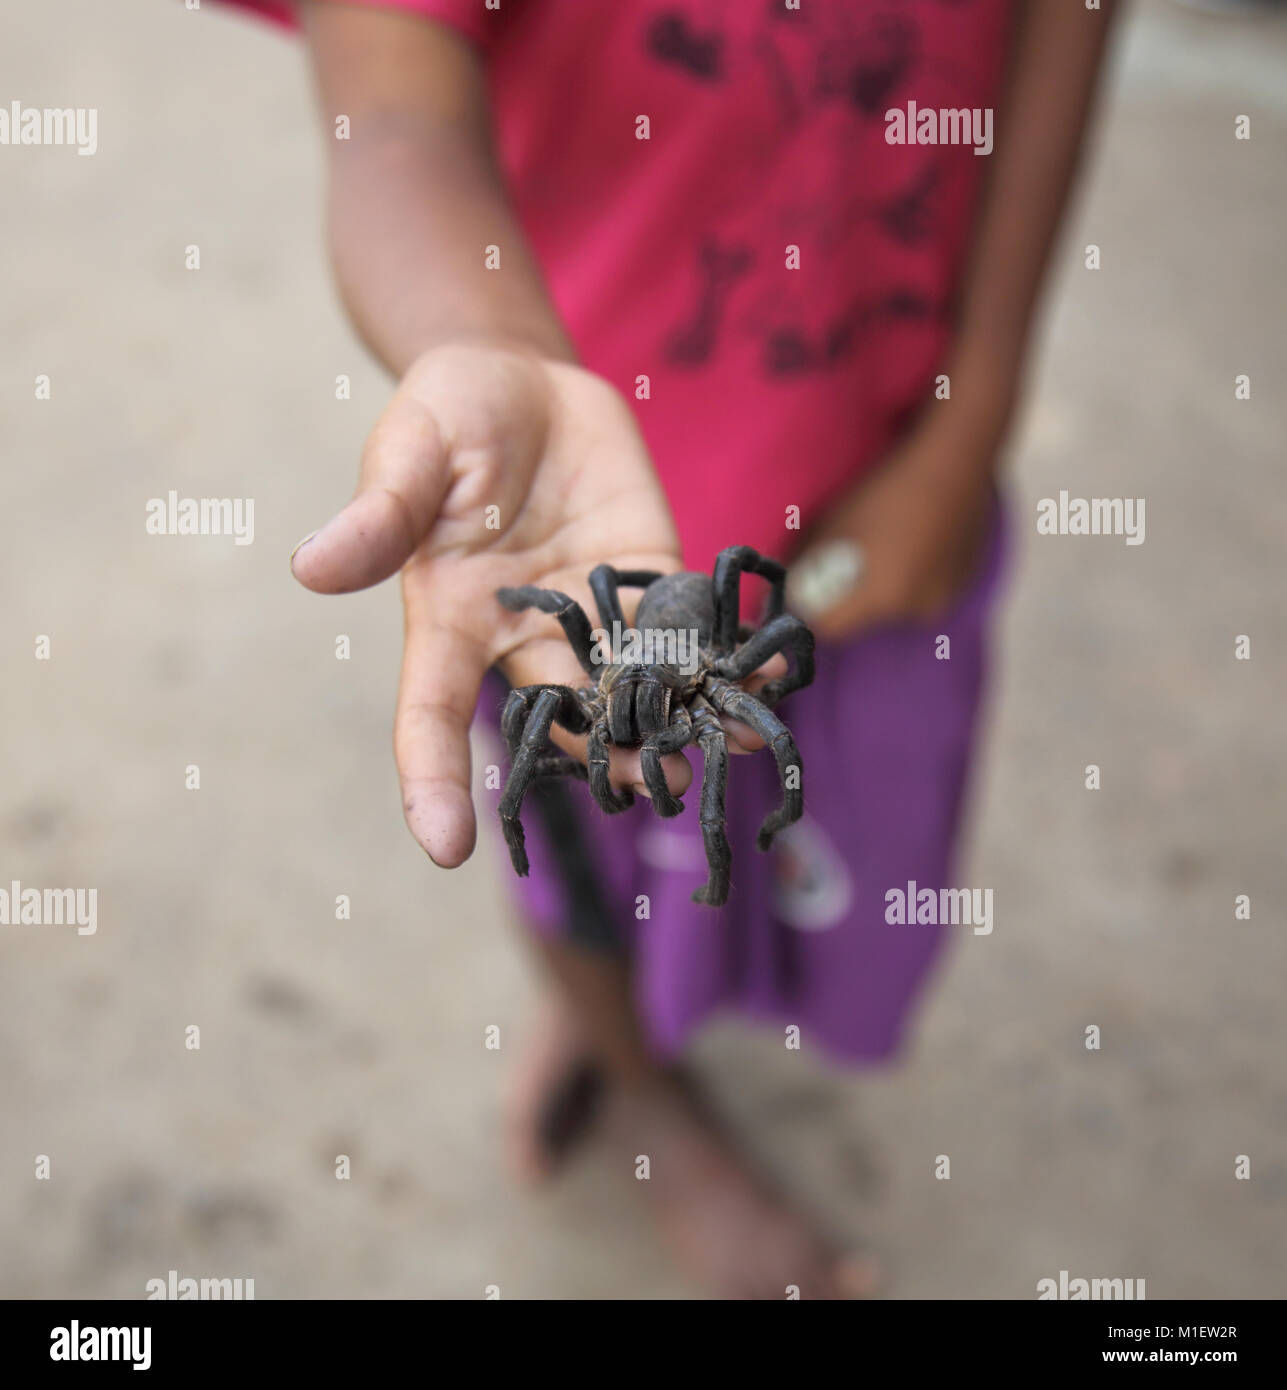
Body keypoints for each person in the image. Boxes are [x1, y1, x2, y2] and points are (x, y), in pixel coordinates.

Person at [217, 0, 1120, 1297]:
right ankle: (624, 1053)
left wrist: (973, 417)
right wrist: (493, 346)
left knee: (799, 802)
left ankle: (683, 985)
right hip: (596, 496)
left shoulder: (728, 680)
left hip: (858, 491)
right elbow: (391, 110)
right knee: (562, 806)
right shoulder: (586, 622)